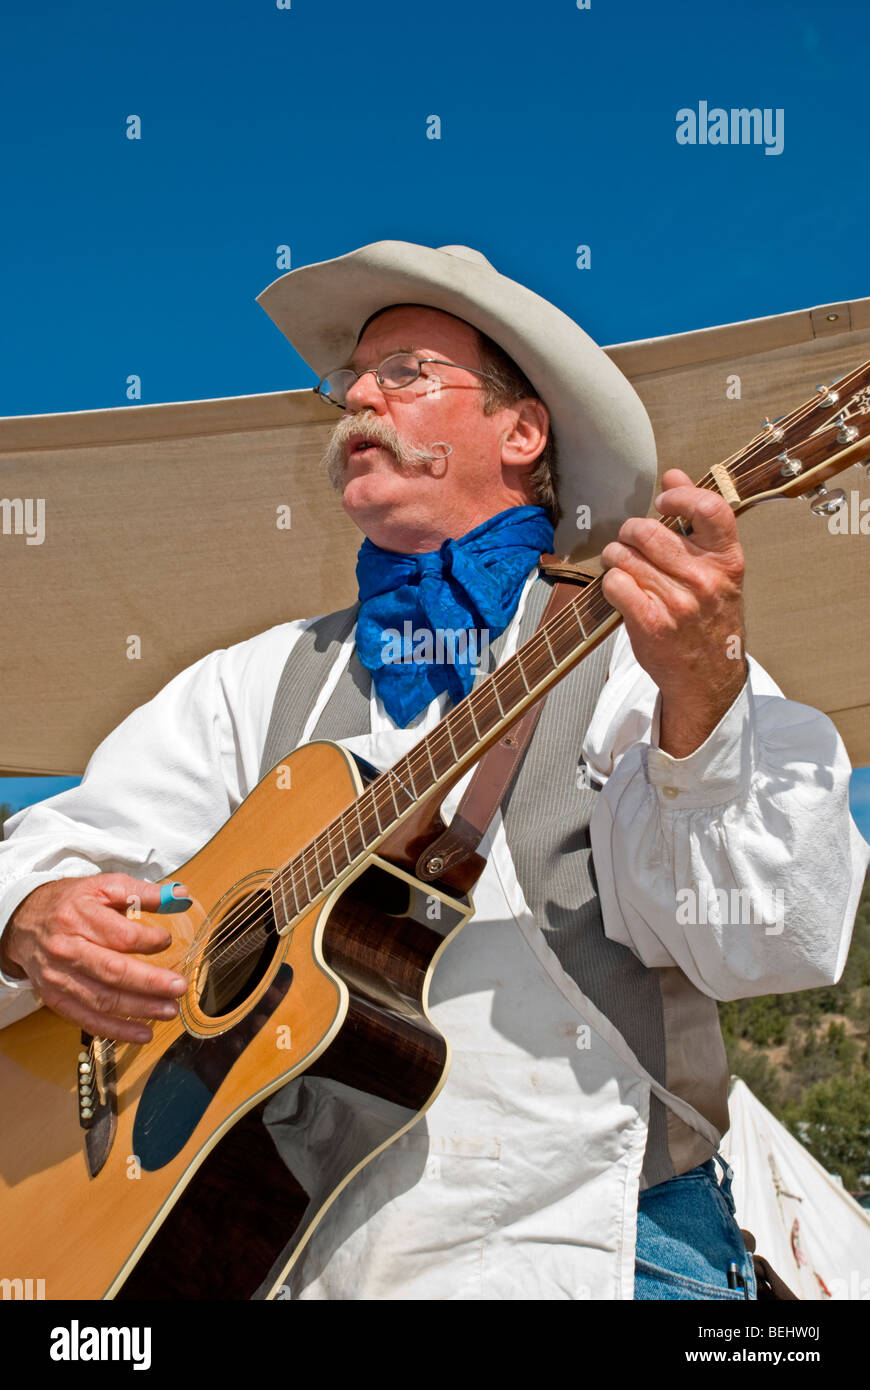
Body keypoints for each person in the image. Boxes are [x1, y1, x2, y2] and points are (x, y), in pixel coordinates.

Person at [0, 241, 866, 1301]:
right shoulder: (255, 680)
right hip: (287, 1260)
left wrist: (705, 701)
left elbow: (768, 937)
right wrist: (35, 914)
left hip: (592, 1251)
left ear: (522, 429)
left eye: (404, 370)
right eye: (352, 379)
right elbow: (63, 841)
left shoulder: (647, 654)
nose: (359, 393)